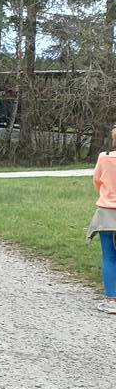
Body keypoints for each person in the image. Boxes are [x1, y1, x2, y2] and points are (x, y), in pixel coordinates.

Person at [88, 128, 116, 311]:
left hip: (107, 213)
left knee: (109, 256)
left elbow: (97, 181)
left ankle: (112, 300)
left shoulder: (104, 158)